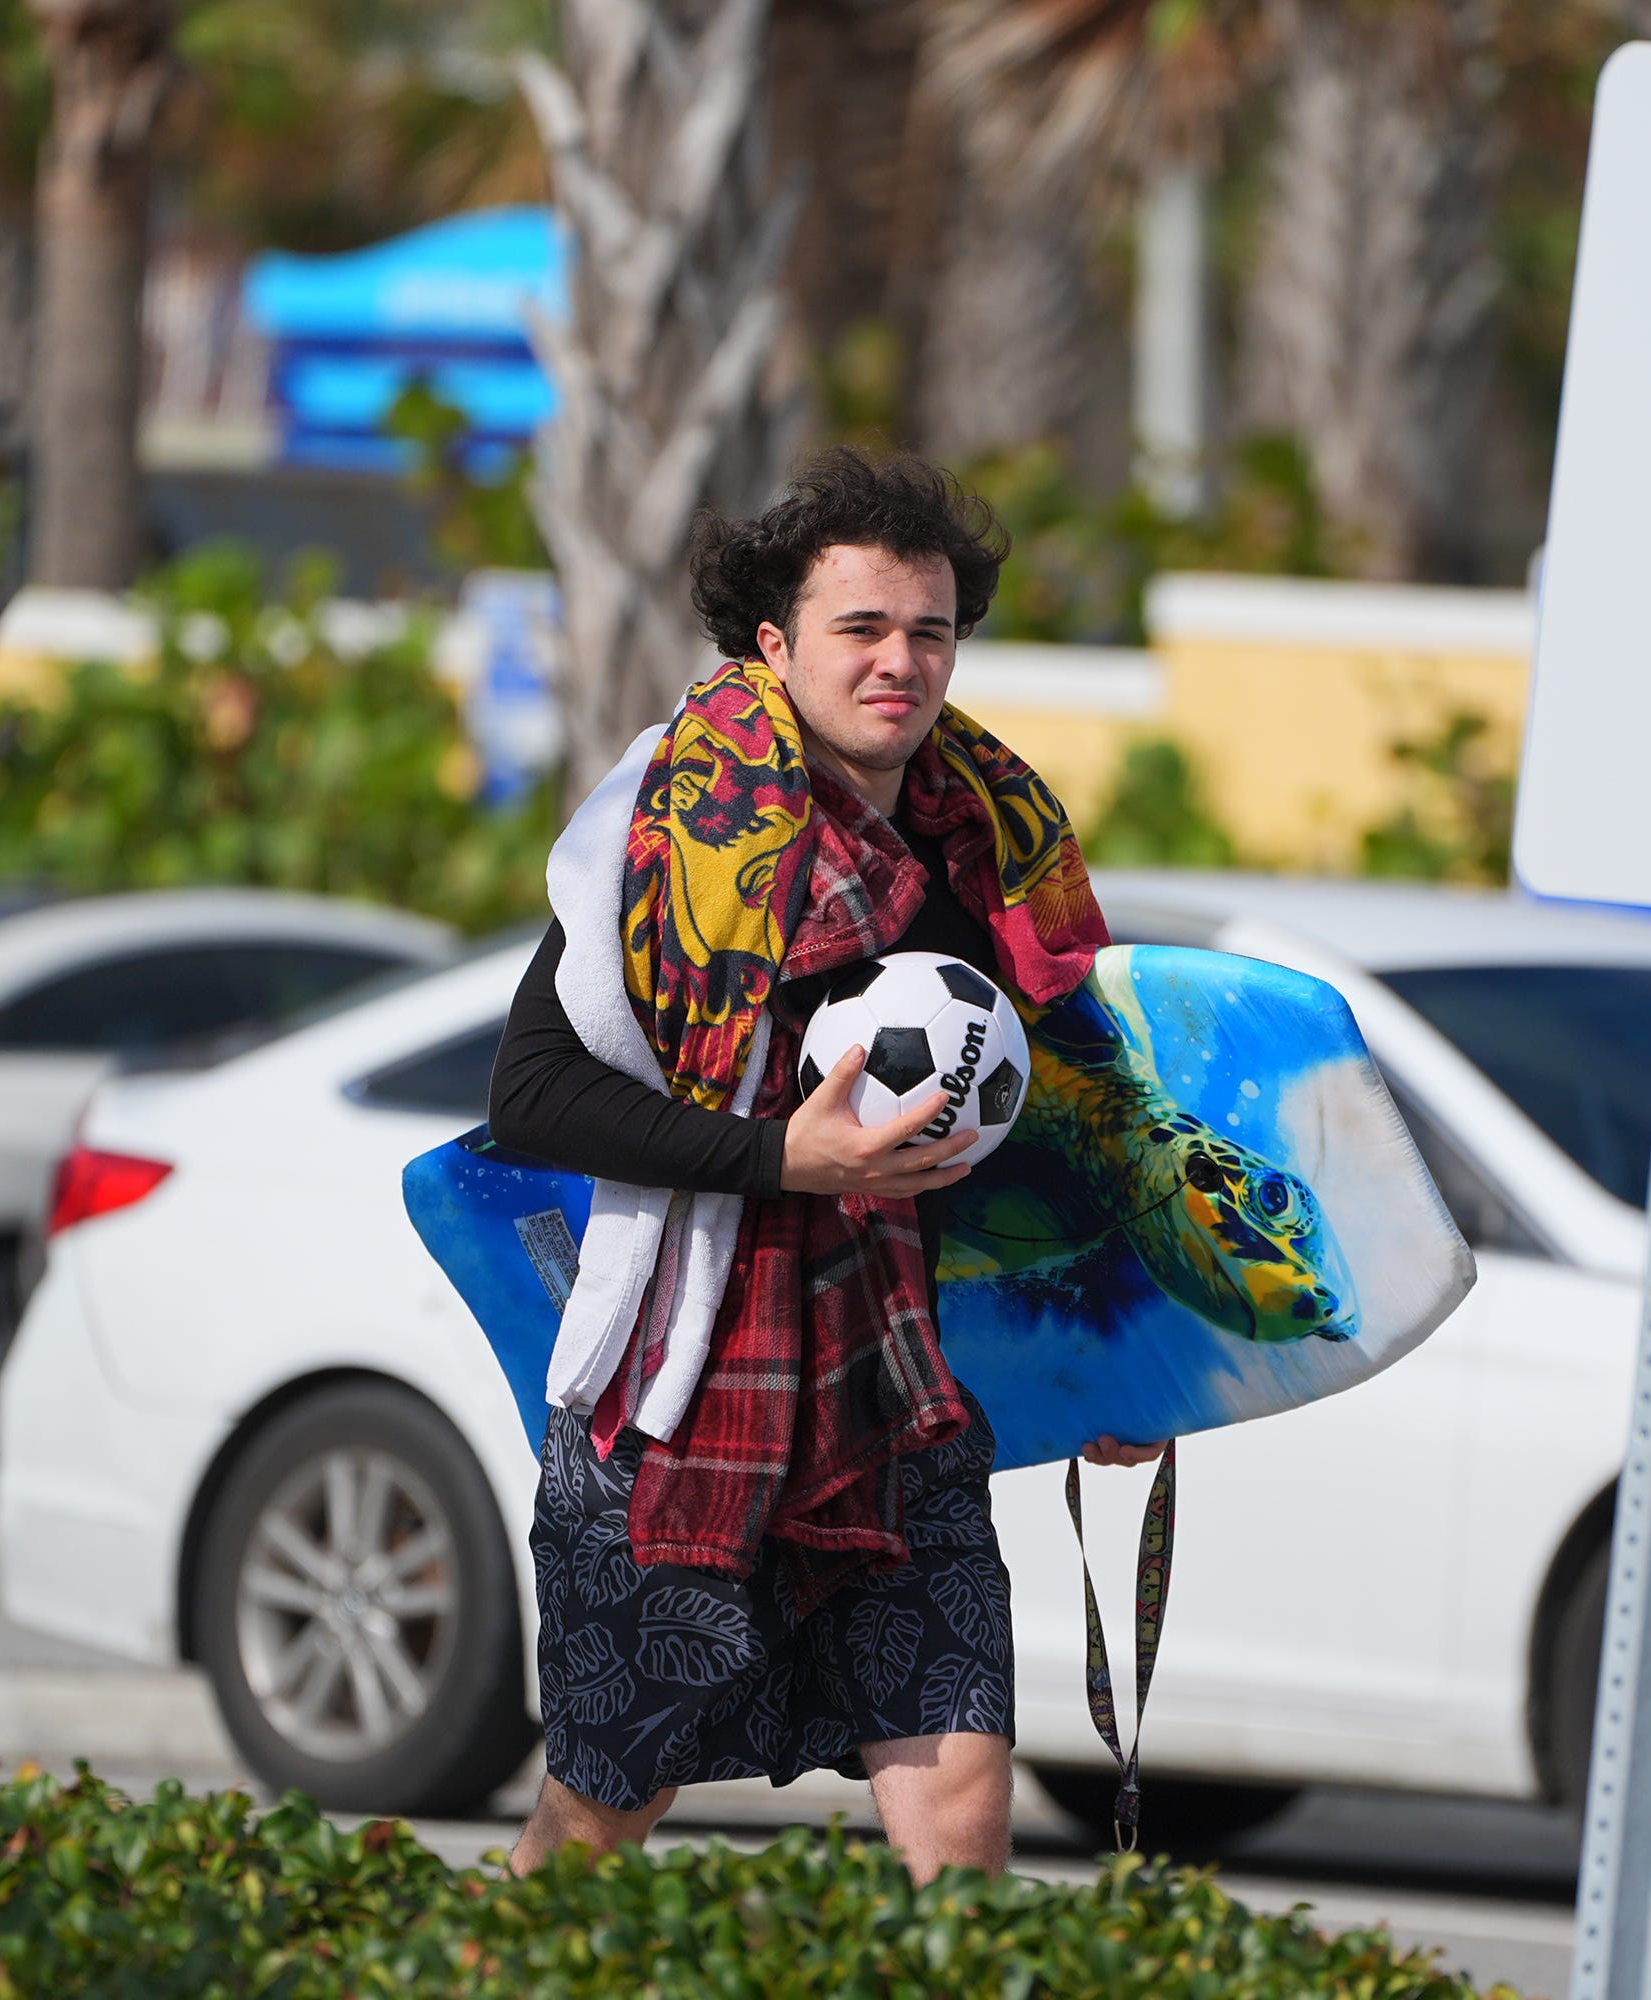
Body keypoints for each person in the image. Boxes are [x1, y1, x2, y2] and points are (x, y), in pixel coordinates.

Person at [487, 448, 1164, 1883]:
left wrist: (1112, 1373)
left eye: (930, 631)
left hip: (899, 1390)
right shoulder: (663, 837)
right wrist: (779, 1158)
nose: (901, 663)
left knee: (964, 1797)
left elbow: (1054, 1129)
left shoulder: (987, 846)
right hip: (685, 1397)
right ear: (775, 643)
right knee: (604, 1811)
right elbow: (534, 1093)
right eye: (862, 629)